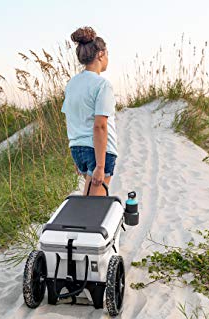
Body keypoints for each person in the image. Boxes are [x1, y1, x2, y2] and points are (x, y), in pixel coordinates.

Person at [61, 26, 118, 196]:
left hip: (78, 149)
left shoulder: (71, 84)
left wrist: (78, 157)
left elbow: (72, 119)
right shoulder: (102, 85)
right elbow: (100, 126)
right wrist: (100, 166)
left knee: (87, 205)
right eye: (106, 53)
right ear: (100, 54)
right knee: (94, 212)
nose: (108, 58)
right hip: (99, 152)